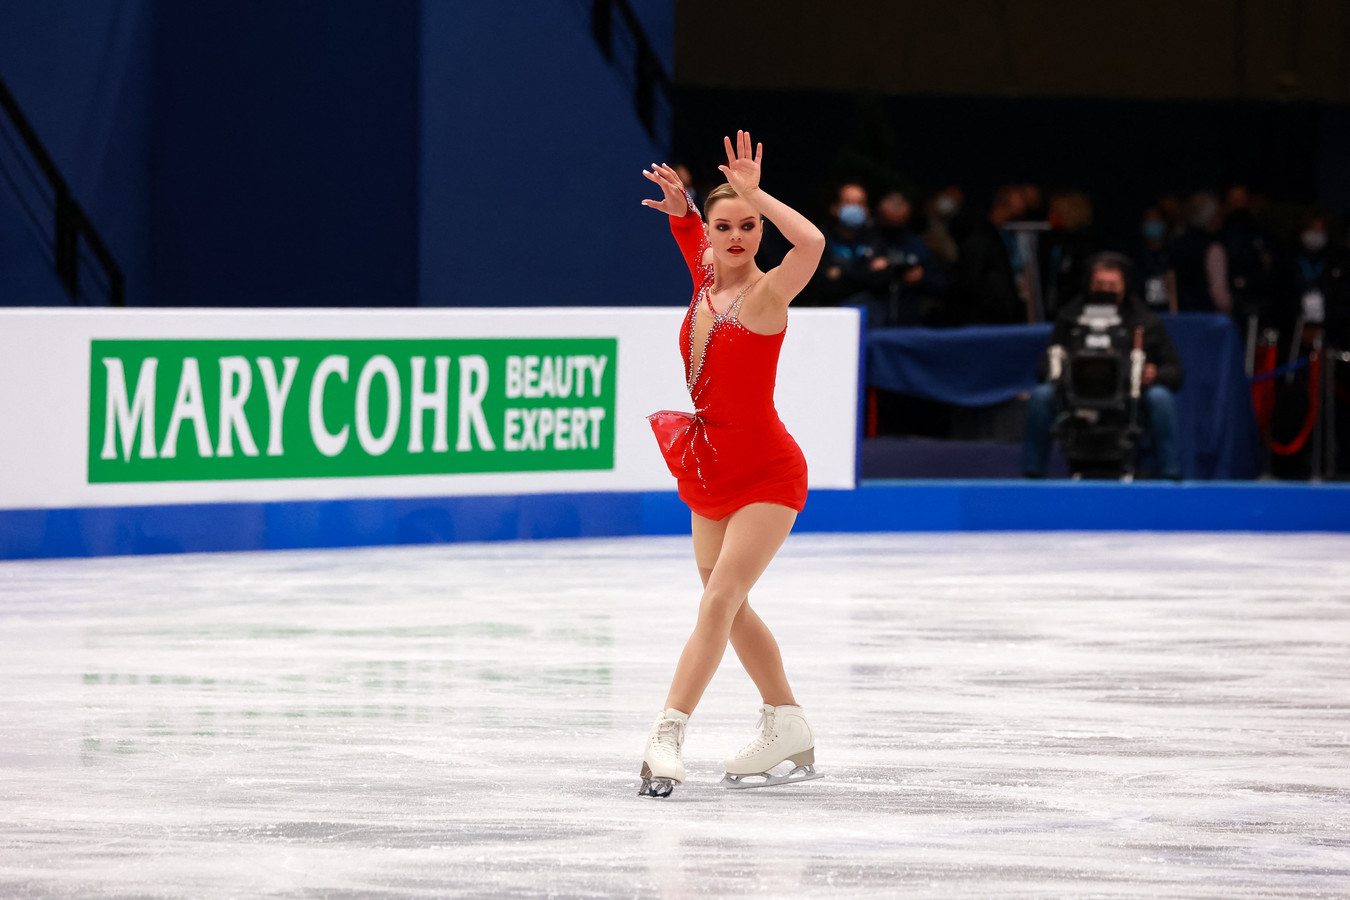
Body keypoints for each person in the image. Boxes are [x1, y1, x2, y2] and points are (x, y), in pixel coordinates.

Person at [637, 131, 826, 798]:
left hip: (768, 473)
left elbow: (812, 244)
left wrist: (756, 194)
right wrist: (686, 212)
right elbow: (692, 234)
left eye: (748, 225)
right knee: (730, 604)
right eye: (726, 227)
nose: (737, 236)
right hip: (710, 465)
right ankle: (787, 721)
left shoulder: (767, 296)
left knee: (718, 600)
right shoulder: (705, 274)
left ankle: (667, 734)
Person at [1022, 254, 1185, 479]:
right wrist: (1061, 371)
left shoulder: (1145, 321)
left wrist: (1155, 374)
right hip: (1074, 393)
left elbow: (1175, 372)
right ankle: (1033, 474)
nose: (1105, 290)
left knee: (1160, 398)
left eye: (1112, 285)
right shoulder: (1070, 318)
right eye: (1100, 284)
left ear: (1125, 286)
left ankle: (1171, 475)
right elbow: (1043, 368)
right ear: (1089, 284)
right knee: (1041, 396)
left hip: (1128, 394)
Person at [806, 182, 887, 307]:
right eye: (848, 202)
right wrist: (865, 271)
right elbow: (822, 282)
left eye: (859, 203)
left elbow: (881, 279)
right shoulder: (820, 238)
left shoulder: (875, 240)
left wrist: (841, 273)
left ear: (867, 210)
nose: (854, 207)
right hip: (830, 307)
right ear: (835, 207)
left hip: (869, 308)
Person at [872, 188, 946, 327]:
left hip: (910, 324)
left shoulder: (918, 246)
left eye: (900, 204)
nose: (896, 209)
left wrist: (921, 278)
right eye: (892, 203)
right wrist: (874, 273)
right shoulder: (870, 243)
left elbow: (940, 285)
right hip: (873, 323)